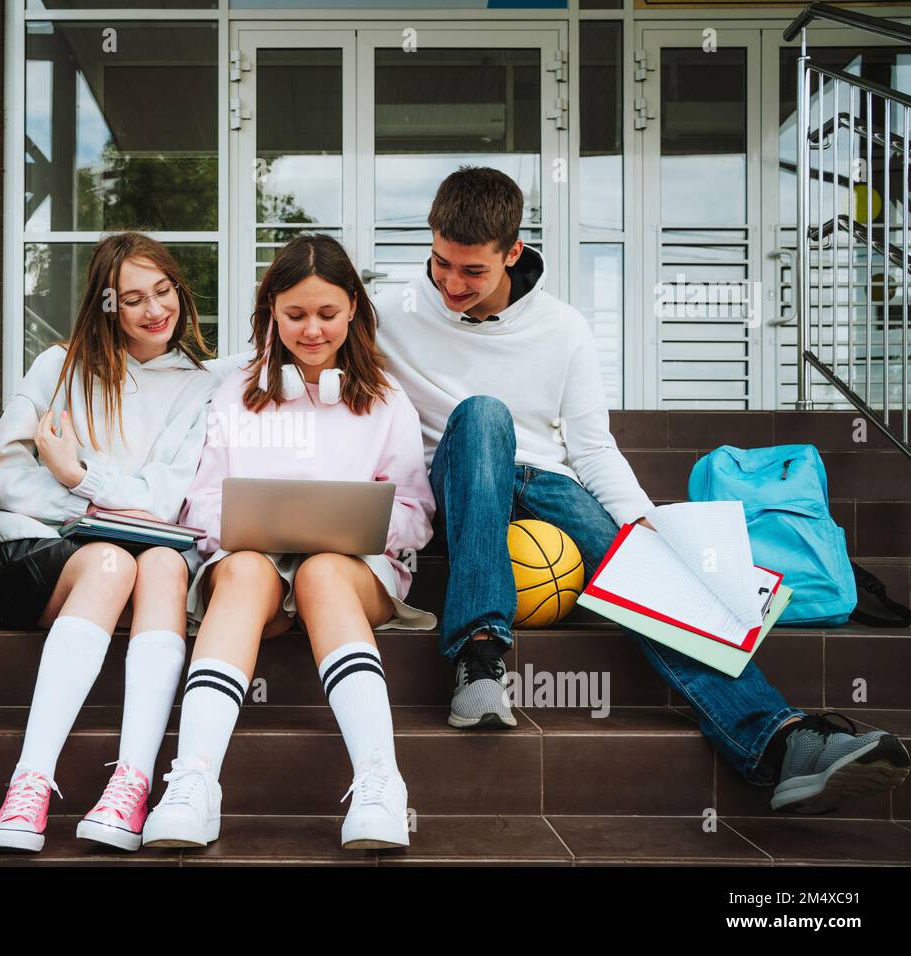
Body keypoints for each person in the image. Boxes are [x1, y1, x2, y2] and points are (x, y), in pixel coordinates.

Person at [375, 165, 910, 813]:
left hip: (545, 480)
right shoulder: (390, 313)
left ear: (512, 253)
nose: (451, 284)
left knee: (652, 576)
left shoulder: (563, 327)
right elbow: (301, 352)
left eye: (472, 272)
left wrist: (645, 522)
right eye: (441, 264)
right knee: (484, 413)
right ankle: (480, 657)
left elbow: (591, 444)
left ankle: (780, 740)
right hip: (459, 471)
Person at [141, 234, 437, 851]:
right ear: (270, 312)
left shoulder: (385, 399)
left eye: (327, 314)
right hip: (253, 574)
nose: (311, 331)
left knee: (324, 570)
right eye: (295, 315)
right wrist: (261, 527)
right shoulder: (234, 394)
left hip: (355, 571)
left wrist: (349, 521)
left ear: (353, 308)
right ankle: (194, 782)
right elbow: (203, 504)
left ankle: (381, 782)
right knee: (247, 570)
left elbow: (416, 513)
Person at [0, 233, 219, 852]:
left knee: (165, 562)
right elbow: (0, 471)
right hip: (43, 553)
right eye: (133, 299)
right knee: (113, 561)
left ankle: (131, 785)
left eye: (163, 291)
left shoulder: (201, 385)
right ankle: (28, 783)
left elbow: (166, 500)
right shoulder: (57, 366)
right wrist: (83, 505)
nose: (154, 310)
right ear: (107, 305)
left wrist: (78, 474)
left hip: (150, 554)